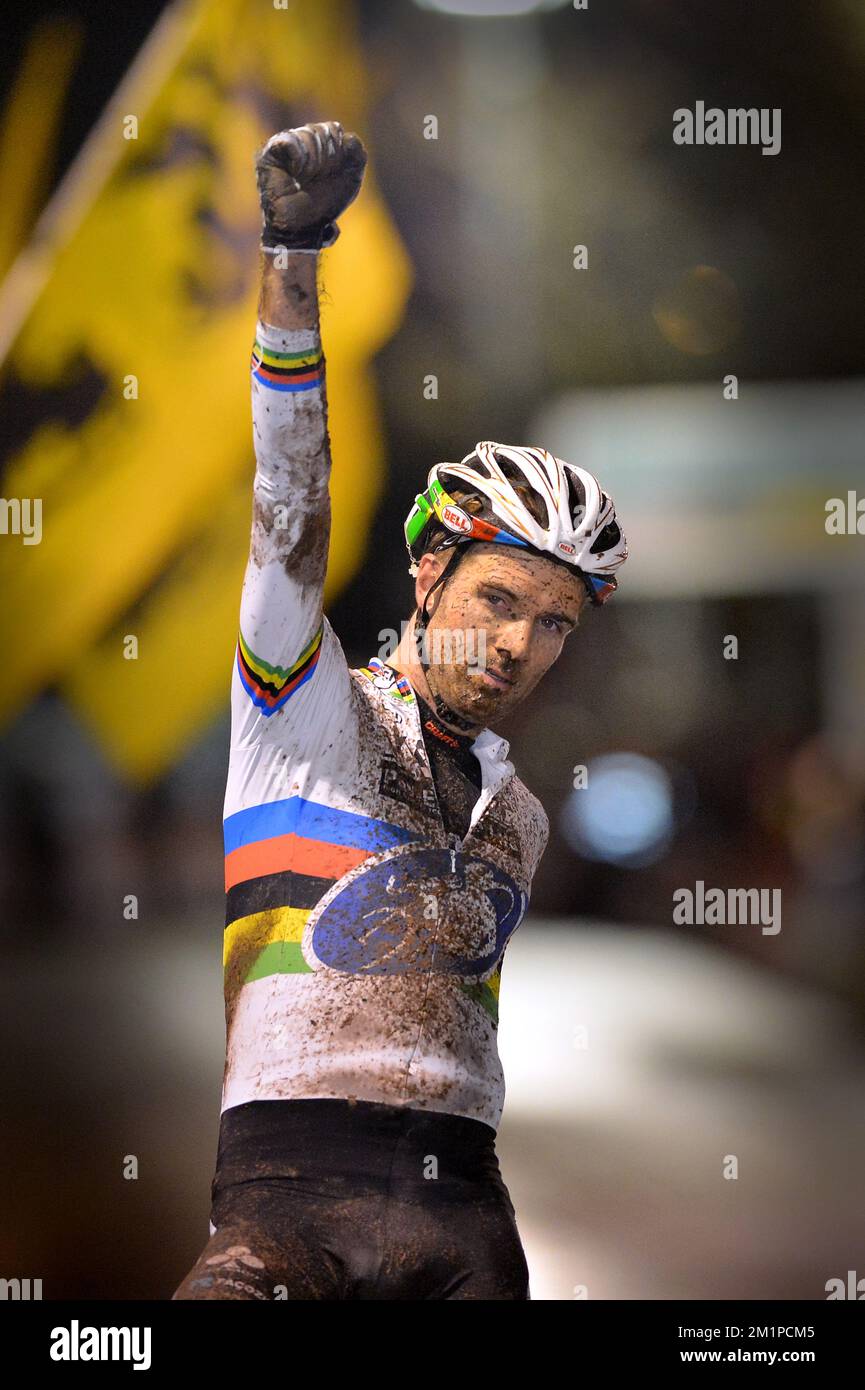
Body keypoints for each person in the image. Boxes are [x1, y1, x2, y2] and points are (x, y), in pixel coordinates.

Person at [173, 121, 627, 1301]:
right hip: (285, 1201)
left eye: (555, 621)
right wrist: (295, 253)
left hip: (467, 1214)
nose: (520, 641)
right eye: (498, 598)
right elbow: (290, 504)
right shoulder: (303, 704)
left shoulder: (518, 814)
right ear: (428, 575)